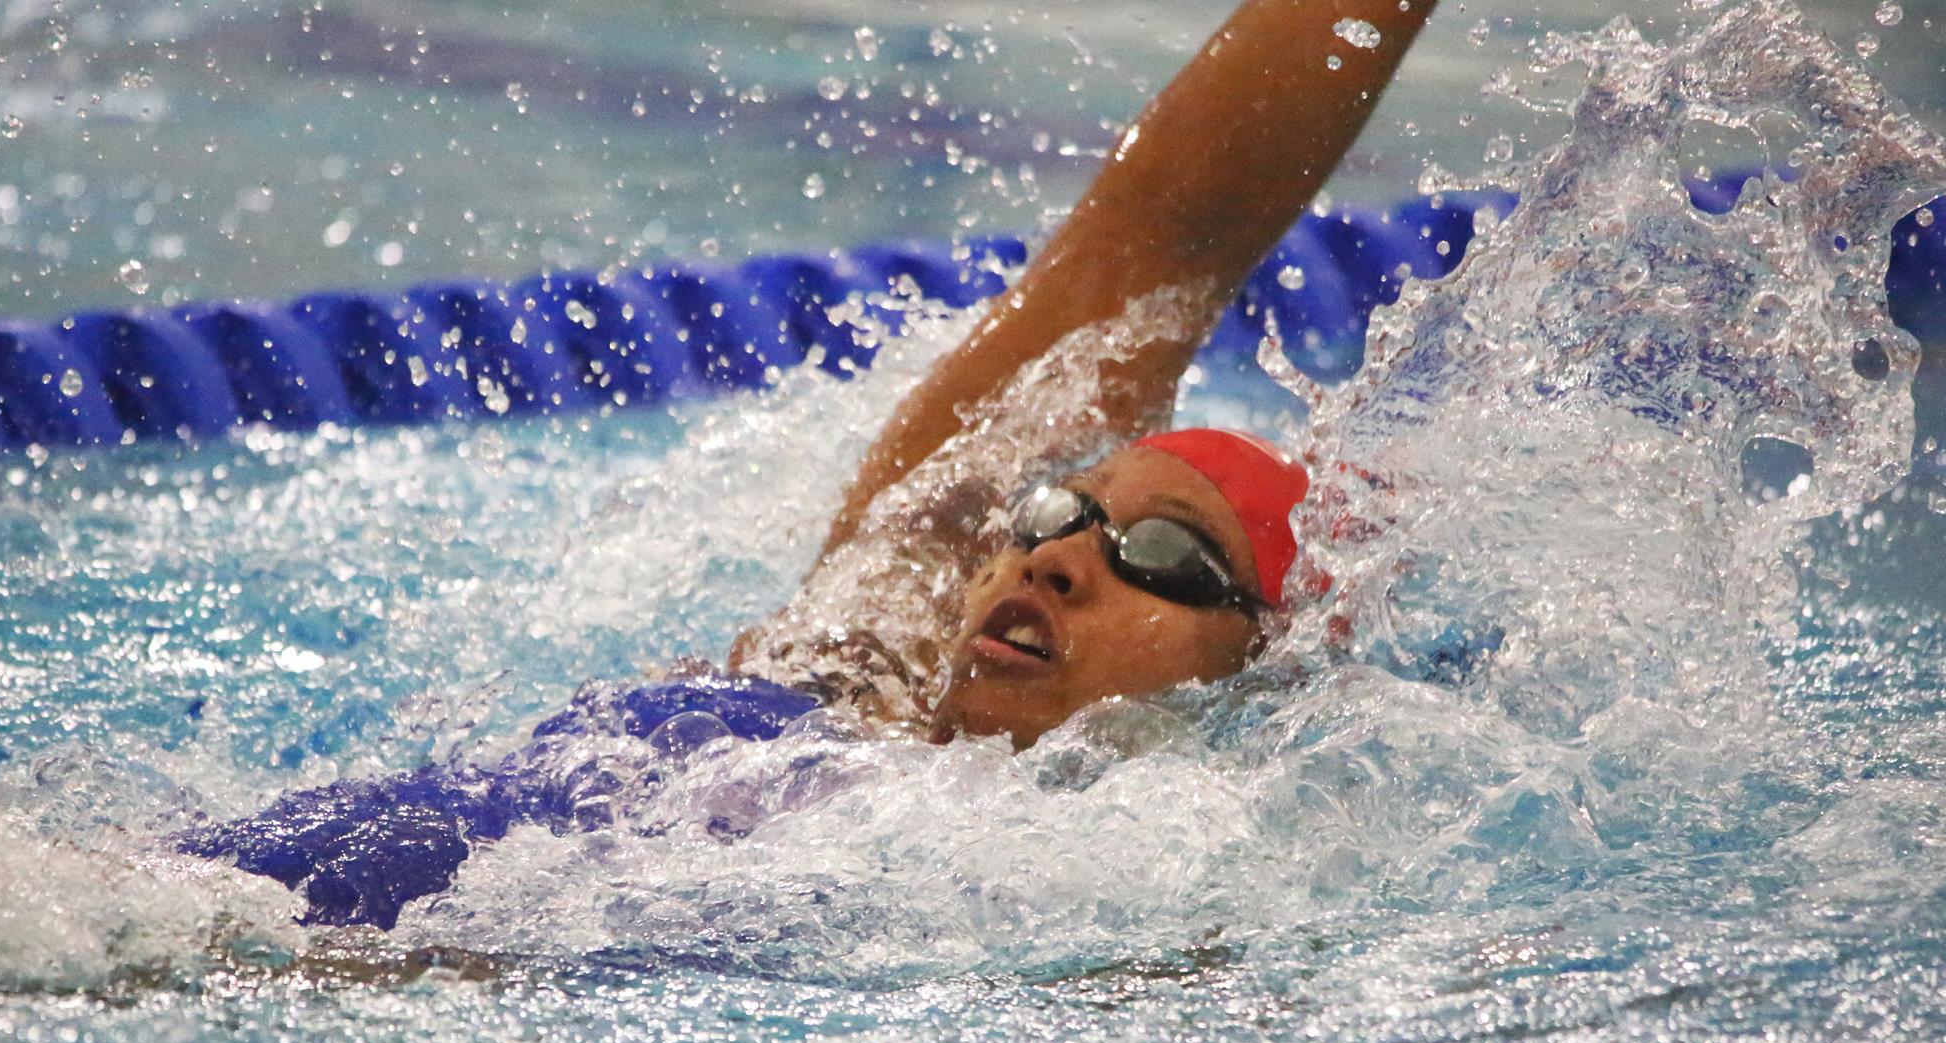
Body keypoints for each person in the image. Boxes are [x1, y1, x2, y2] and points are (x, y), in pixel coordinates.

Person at [179, 0, 1440, 926]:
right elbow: (1158, 240)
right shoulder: (854, 654)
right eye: (1057, 510)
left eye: (1162, 555)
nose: (1056, 557)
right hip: (179, 905)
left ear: (1257, 678)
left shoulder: (1116, 909)